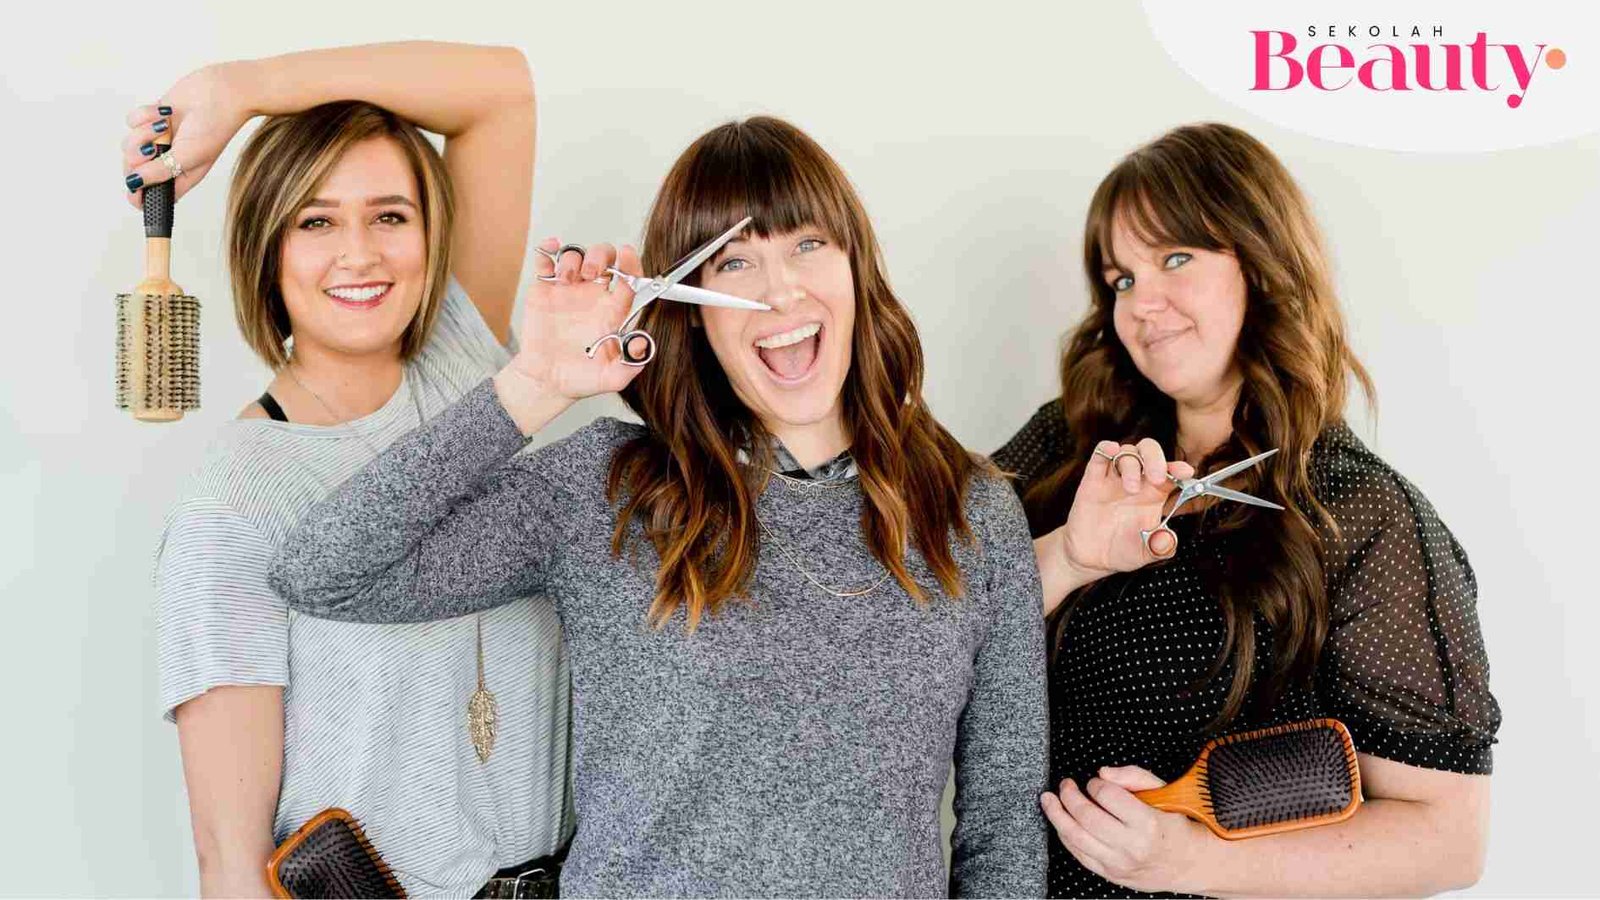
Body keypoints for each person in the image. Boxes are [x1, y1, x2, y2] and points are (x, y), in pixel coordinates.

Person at [268, 116, 1048, 897]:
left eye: (809, 244)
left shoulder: (971, 513)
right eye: (734, 261)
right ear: (694, 307)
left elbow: (1004, 831)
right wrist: (535, 382)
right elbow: (324, 572)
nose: (781, 290)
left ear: (857, 268)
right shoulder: (611, 487)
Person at [992, 122, 1501, 898]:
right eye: (1120, 279)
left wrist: (1187, 860)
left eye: (1175, 258)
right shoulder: (1067, 451)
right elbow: (920, 620)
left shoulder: (1359, 514)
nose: (1141, 304)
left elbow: (1446, 838)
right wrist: (1067, 555)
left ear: (1261, 266)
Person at [137, 42, 573, 896]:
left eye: (389, 216)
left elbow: (501, 92)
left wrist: (243, 91)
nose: (360, 255)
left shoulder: (463, 371)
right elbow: (230, 867)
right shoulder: (236, 501)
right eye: (316, 221)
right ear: (268, 249)